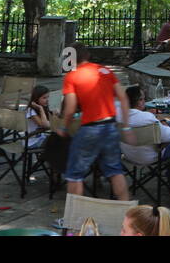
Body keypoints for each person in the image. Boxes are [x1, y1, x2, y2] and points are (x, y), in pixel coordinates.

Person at [54, 45, 132, 200]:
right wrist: (126, 126)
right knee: (115, 170)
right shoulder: (104, 71)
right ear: (87, 55)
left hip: (90, 128)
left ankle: (74, 218)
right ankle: (127, 212)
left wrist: (63, 127)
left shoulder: (72, 76)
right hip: (110, 126)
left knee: (75, 174)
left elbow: (69, 109)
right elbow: (123, 97)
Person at [118, 84, 170, 176]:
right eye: (143, 98)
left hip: (129, 156)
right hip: (153, 156)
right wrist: (163, 122)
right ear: (139, 102)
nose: (144, 101)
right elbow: (168, 136)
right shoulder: (147, 118)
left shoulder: (118, 116)